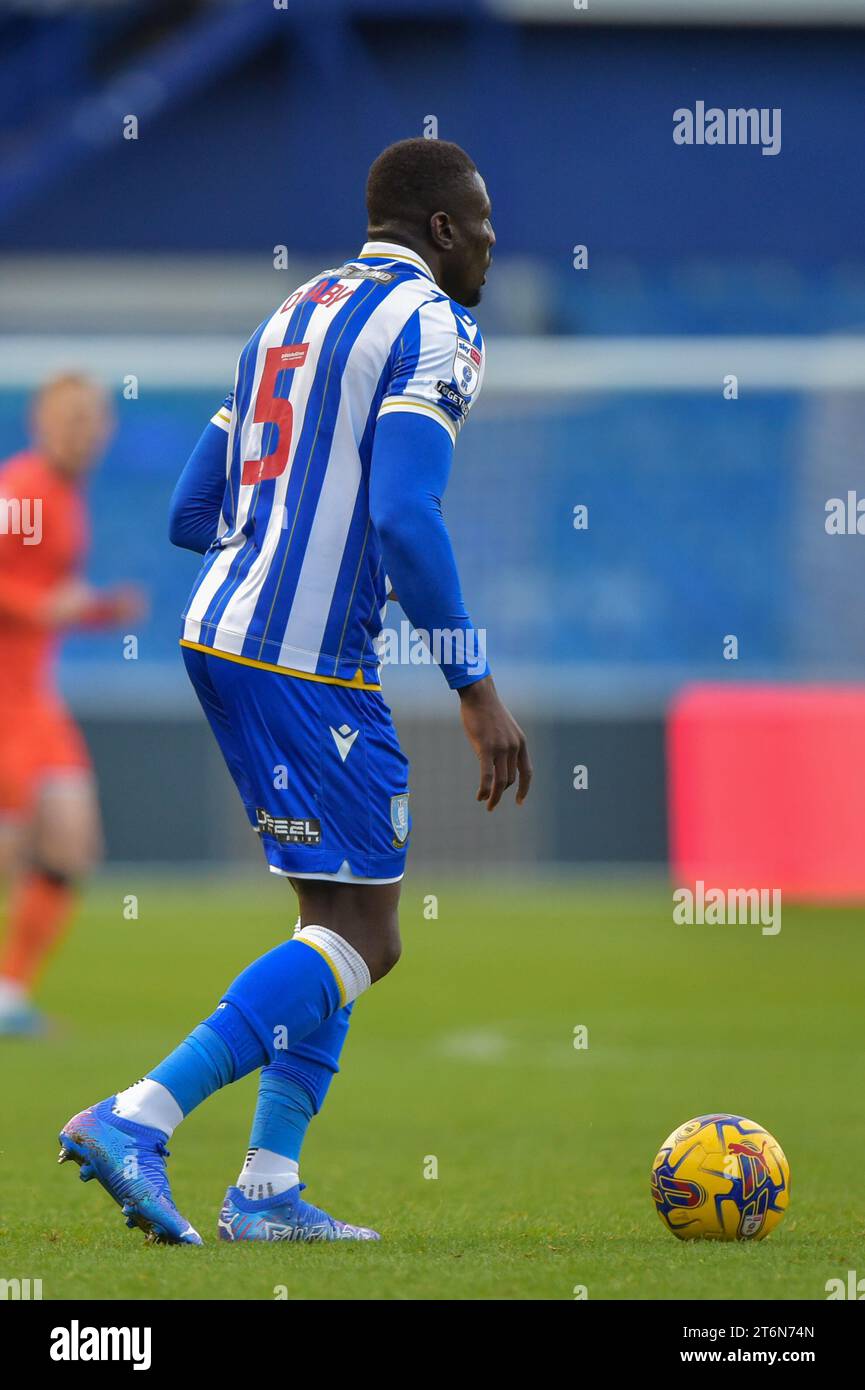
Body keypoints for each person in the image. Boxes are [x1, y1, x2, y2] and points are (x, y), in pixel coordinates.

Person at [59, 138, 531, 1245]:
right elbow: (406, 516)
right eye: (488, 228)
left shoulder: (289, 313)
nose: (495, 249)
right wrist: (474, 682)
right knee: (370, 935)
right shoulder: (435, 327)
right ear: (444, 228)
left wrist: (269, 539)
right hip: (307, 654)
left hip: (222, 631)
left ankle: (267, 1187)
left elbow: (189, 514)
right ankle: (138, 1116)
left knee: (333, 921)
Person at [0, 374, 145, 1036]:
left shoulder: (66, 495)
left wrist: (98, 609)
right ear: (41, 422)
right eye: (71, 418)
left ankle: (9, 994)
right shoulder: (24, 489)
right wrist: (47, 604)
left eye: (93, 419)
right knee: (16, 847)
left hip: (35, 698)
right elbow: (24, 594)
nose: (84, 430)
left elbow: (41, 599)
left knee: (70, 841)